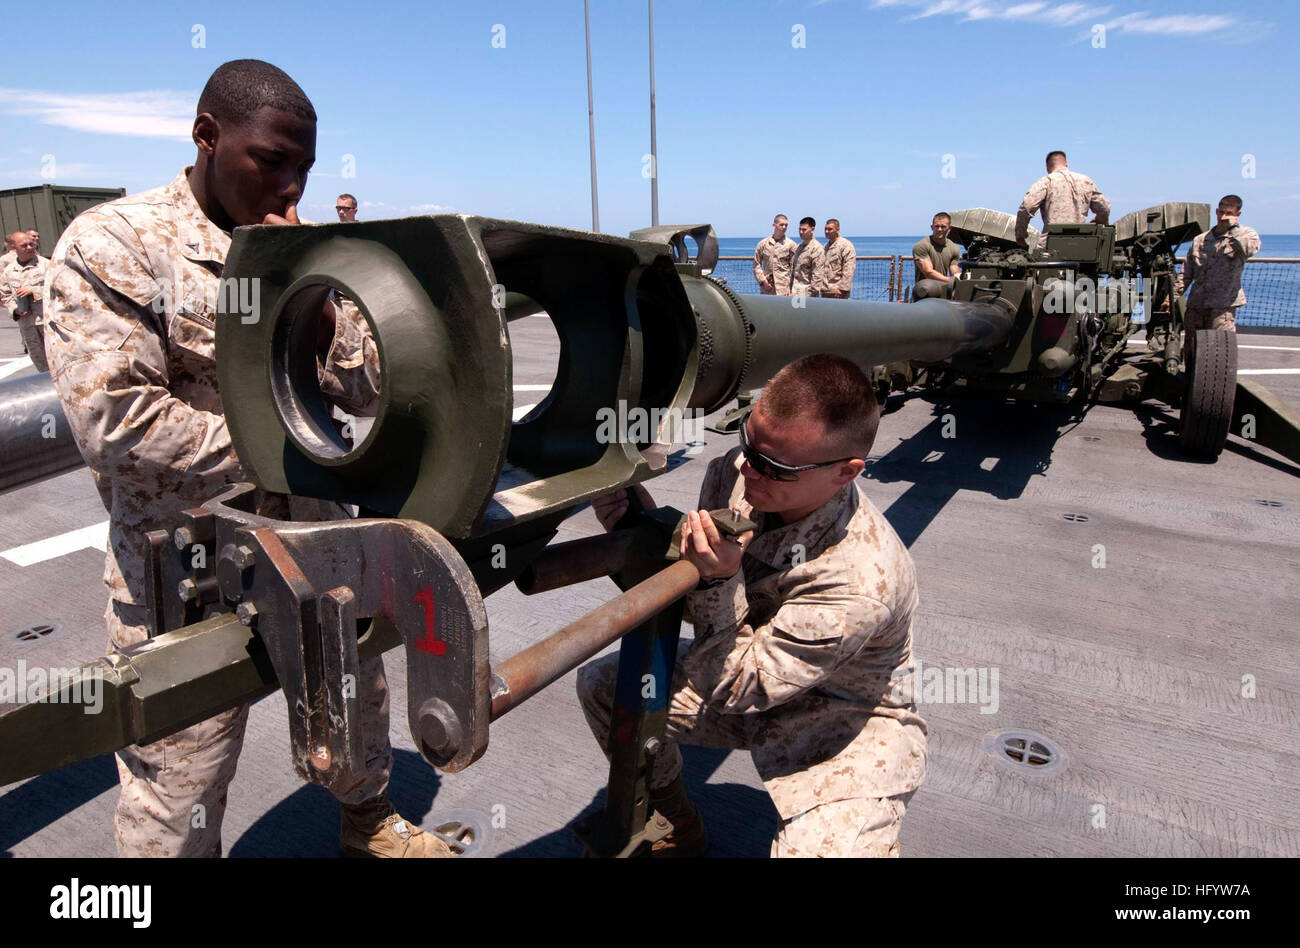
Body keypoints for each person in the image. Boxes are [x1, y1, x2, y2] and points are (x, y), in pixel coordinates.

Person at [42, 59, 448, 859]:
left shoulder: (303, 248)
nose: (291, 189)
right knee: (177, 785)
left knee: (354, 708)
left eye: (304, 167)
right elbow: (117, 424)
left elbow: (366, 389)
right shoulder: (118, 243)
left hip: (313, 550)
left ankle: (367, 822)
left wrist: (320, 296)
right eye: (271, 161)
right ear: (206, 138)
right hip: (188, 571)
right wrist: (300, 445)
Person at [580, 354, 926, 857]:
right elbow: (699, 614)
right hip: (743, 672)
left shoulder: (860, 578)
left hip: (840, 724)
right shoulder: (739, 475)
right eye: (747, 442)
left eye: (775, 466)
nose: (746, 467)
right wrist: (642, 533)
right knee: (608, 687)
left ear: (845, 473)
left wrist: (719, 579)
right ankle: (675, 822)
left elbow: (745, 685)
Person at [1173, 194, 1261, 366]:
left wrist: (1232, 231)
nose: (1223, 217)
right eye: (1221, 212)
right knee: (1192, 350)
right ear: (1216, 211)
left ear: (1238, 214)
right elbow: (1186, 272)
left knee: (1218, 353)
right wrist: (1173, 297)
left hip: (1222, 306)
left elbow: (1249, 250)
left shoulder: (1246, 235)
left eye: (1228, 213)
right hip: (1197, 304)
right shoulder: (1201, 240)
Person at [1014, 150, 1110, 248]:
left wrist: (1020, 236)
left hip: (1050, 247)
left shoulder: (1046, 182)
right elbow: (1104, 208)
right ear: (1066, 163)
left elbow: (1026, 207)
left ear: (1047, 167)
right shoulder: (1086, 181)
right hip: (1080, 246)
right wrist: (1099, 220)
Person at [0, 231, 50, 370]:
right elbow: (6, 295)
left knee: (58, 365)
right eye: (24, 245)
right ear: (14, 248)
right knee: (41, 367)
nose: (29, 248)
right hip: (28, 326)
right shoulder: (9, 271)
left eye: (31, 244)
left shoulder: (46, 265)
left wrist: (34, 291)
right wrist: (15, 310)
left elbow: (60, 289)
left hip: (48, 324)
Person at [911, 212, 962, 301]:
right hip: (924, 294)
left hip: (943, 295)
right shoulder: (921, 246)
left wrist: (959, 279)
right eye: (936, 226)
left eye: (943, 227)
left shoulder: (954, 248)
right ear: (932, 227)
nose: (939, 229)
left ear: (949, 228)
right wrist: (951, 281)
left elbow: (954, 273)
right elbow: (928, 272)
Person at [753, 214, 797, 295]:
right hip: (767, 289)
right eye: (781, 225)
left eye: (786, 225)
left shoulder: (791, 245)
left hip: (784, 290)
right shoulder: (763, 244)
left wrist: (792, 289)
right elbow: (756, 264)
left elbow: (795, 269)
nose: (784, 227)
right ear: (774, 225)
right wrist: (762, 281)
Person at [819, 219, 855, 298]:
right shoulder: (825, 247)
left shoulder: (845, 245)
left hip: (838, 292)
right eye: (825, 229)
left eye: (830, 229)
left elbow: (848, 269)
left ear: (837, 230)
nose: (827, 231)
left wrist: (842, 289)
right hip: (825, 291)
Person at [789, 217, 824, 300]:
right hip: (795, 292)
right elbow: (794, 272)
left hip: (806, 295)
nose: (801, 232)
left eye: (804, 230)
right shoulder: (799, 248)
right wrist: (790, 290)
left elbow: (817, 276)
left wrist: (809, 298)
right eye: (799, 229)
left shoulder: (817, 249)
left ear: (812, 229)